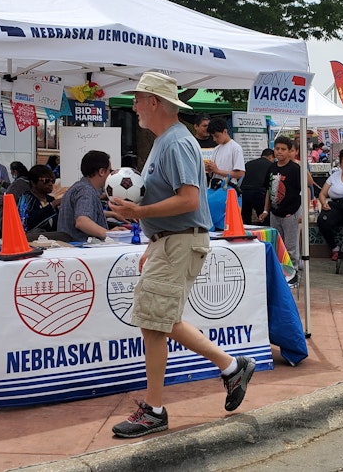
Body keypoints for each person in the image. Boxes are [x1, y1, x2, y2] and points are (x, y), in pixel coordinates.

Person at [107, 71, 255, 438]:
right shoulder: (166, 141)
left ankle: (155, 409)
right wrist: (153, 243)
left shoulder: (174, 143)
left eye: (139, 99)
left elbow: (189, 199)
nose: (135, 106)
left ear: (155, 102)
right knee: (158, 318)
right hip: (171, 242)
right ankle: (230, 367)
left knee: (155, 320)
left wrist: (139, 215)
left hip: (180, 241)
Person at [258, 136, 303, 287]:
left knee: (291, 246)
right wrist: (265, 209)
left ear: (290, 151)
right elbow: (268, 190)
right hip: (274, 213)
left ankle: (293, 274)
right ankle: (280, 274)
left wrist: (302, 212)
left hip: (291, 213)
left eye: (283, 149)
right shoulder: (271, 168)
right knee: (278, 244)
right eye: (277, 149)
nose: (279, 152)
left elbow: (305, 189)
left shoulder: (295, 169)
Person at [56, 150, 126, 241]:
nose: (111, 174)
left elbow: (82, 211)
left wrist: (112, 214)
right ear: (101, 171)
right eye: (110, 170)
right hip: (80, 249)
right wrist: (109, 234)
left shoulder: (79, 187)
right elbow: (82, 221)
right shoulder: (86, 191)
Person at [18, 165, 62, 234]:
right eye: (46, 180)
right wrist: (51, 206)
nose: (50, 184)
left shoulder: (51, 199)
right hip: (30, 241)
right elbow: (26, 223)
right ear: (33, 182)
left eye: (53, 181)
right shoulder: (26, 199)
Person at [205, 117, 245, 184]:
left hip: (227, 189)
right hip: (214, 187)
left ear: (225, 131)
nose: (214, 139)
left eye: (217, 136)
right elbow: (213, 174)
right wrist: (210, 170)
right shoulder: (216, 149)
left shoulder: (235, 148)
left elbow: (240, 173)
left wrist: (217, 170)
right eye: (213, 136)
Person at [241, 148, 274, 224]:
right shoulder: (271, 165)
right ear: (270, 157)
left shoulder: (248, 163)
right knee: (263, 217)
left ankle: (246, 234)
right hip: (259, 192)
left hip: (245, 192)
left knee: (245, 218)